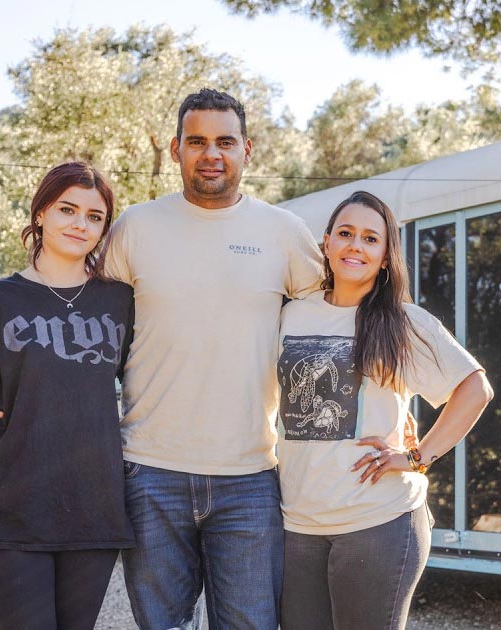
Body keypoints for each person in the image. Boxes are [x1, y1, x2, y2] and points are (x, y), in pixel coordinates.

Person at [100, 89, 323, 629]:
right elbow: (88, 326)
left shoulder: (285, 233)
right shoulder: (134, 227)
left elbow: (340, 320)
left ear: (248, 149)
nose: (211, 154)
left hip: (250, 476)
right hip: (151, 470)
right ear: (175, 149)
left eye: (225, 141)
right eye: (196, 141)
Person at [277, 191, 494, 630]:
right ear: (326, 243)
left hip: (376, 522)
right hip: (297, 524)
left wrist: (415, 457)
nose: (355, 245)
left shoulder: (403, 321)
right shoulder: (291, 315)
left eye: (370, 239)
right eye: (345, 233)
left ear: (385, 256)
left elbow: (475, 389)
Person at [0, 162, 134, 629]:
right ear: (41, 214)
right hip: (13, 510)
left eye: (94, 216)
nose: (79, 224)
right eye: (67, 209)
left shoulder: (122, 301)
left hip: (95, 510)